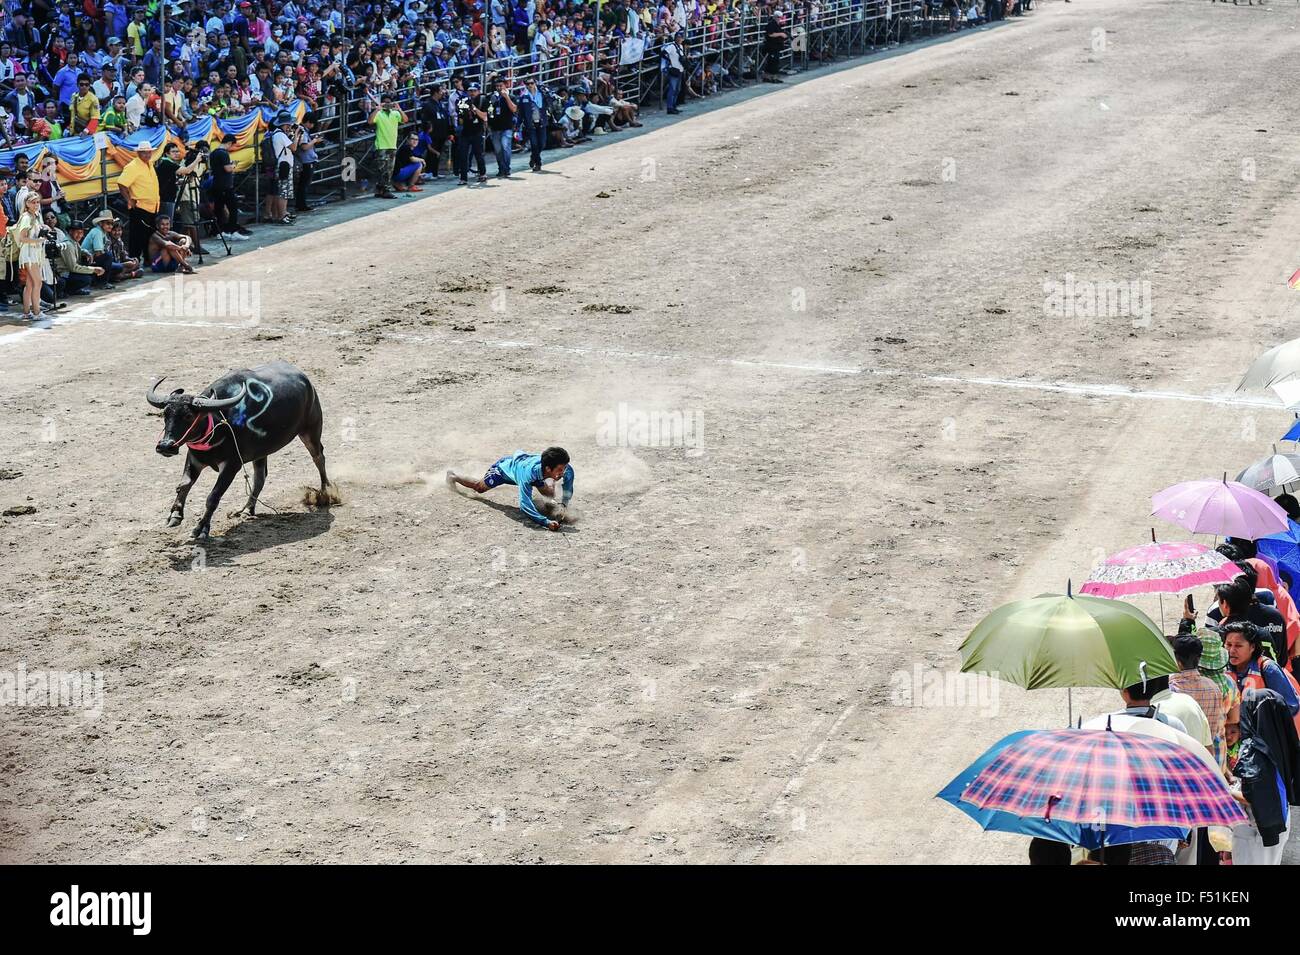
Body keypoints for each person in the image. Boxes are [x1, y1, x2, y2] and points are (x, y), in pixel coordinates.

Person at [1230, 688, 1300, 865]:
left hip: (1254, 832)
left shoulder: (1256, 751)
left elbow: (1255, 796)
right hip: (1279, 822)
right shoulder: (1282, 744)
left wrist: (1224, 790)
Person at [446, 447, 574, 530]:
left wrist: (564, 504)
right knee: (479, 488)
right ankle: (453, 476)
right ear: (548, 468)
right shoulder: (529, 474)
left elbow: (568, 480)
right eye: (560, 470)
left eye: (564, 468)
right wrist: (545, 522)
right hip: (504, 471)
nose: (563, 472)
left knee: (550, 494)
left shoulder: (562, 468)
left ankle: (548, 497)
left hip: (534, 474)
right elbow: (525, 505)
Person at [1224, 621, 1300, 737]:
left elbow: (1291, 706)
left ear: (1252, 647)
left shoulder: (1268, 669)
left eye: (1238, 646)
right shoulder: (1221, 668)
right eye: (1228, 645)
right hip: (1230, 742)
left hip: (1264, 742)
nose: (1232, 650)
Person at [1209, 577, 1287, 666]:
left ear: (1225, 604)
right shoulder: (1262, 634)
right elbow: (1276, 666)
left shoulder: (1212, 635)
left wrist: (1190, 621)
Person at [12, 190, 52, 327]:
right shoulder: (26, 217)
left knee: (30, 284)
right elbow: (22, 238)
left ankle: (27, 311)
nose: (36, 205)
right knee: (38, 282)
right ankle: (36, 312)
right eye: (33, 202)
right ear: (27, 203)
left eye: (37, 202)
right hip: (29, 253)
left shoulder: (34, 216)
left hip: (33, 252)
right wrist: (37, 241)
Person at [117, 141, 160, 260]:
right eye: (144, 153)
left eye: (149, 152)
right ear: (139, 153)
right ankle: (134, 260)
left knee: (150, 235)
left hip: (152, 206)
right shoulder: (133, 166)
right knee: (137, 236)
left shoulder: (149, 164)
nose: (147, 155)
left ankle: (148, 259)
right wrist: (129, 200)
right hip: (140, 206)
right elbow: (121, 184)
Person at [209, 132, 249, 241]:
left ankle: (219, 231)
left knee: (219, 209)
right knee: (233, 209)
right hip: (225, 185)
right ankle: (233, 231)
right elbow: (227, 169)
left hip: (216, 184)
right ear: (230, 143)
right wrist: (234, 165)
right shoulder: (223, 153)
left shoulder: (213, 153)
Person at [369, 93, 405, 199]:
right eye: (386, 103)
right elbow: (370, 121)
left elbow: (405, 119)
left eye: (389, 103)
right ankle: (385, 190)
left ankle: (380, 190)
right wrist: (377, 109)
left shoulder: (395, 114)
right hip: (381, 146)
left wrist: (399, 109)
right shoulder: (379, 114)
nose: (387, 105)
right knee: (383, 170)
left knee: (389, 170)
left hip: (392, 145)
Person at [267, 110, 298, 223]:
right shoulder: (280, 134)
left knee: (284, 192)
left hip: (283, 164)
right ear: (285, 124)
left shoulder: (278, 134)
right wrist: (297, 135)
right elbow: (294, 147)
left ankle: (282, 214)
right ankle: (281, 216)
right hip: (283, 165)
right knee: (283, 193)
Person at [456, 80, 488, 185]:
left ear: (478, 91)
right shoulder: (463, 101)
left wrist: (473, 108)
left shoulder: (483, 100)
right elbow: (460, 119)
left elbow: (484, 116)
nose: (472, 93)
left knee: (479, 154)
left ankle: (482, 174)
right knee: (463, 155)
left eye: (474, 91)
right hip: (466, 131)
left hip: (477, 131)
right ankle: (463, 178)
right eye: (470, 91)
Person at [487, 74, 517, 179]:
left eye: (501, 85)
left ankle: (507, 168)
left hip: (507, 127)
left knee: (505, 147)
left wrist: (506, 97)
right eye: (497, 86)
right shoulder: (493, 97)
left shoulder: (511, 96)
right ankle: (501, 168)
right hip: (495, 128)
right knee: (498, 150)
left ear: (505, 85)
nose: (499, 88)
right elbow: (489, 111)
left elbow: (514, 109)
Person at [294, 114, 324, 213]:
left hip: (307, 160)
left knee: (303, 184)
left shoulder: (303, 130)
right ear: (308, 122)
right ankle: (302, 205)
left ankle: (301, 204)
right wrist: (315, 141)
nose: (312, 126)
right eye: (312, 124)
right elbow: (304, 147)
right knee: (304, 184)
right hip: (306, 161)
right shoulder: (302, 131)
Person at [519, 76, 548, 172]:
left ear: (535, 83)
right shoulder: (524, 96)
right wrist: (517, 125)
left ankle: (533, 157)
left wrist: (546, 91)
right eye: (528, 84)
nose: (530, 85)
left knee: (542, 144)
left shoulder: (542, 93)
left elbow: (550, 101)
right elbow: (521, 112)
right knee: (534, 144)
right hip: (530, 123)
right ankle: (538, 163)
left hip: (541, 121)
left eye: (532, 83)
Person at [762, 8, 788, 83]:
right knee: (773, 62)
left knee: (773, 62)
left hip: (776, 46)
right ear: (776, 17)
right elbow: (770, 34)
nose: (780, 19)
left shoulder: (777, 24)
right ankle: (772, 77)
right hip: (772, 46)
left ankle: (768, 76)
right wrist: (781, 34)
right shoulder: (771, 24)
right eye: (779, 18)